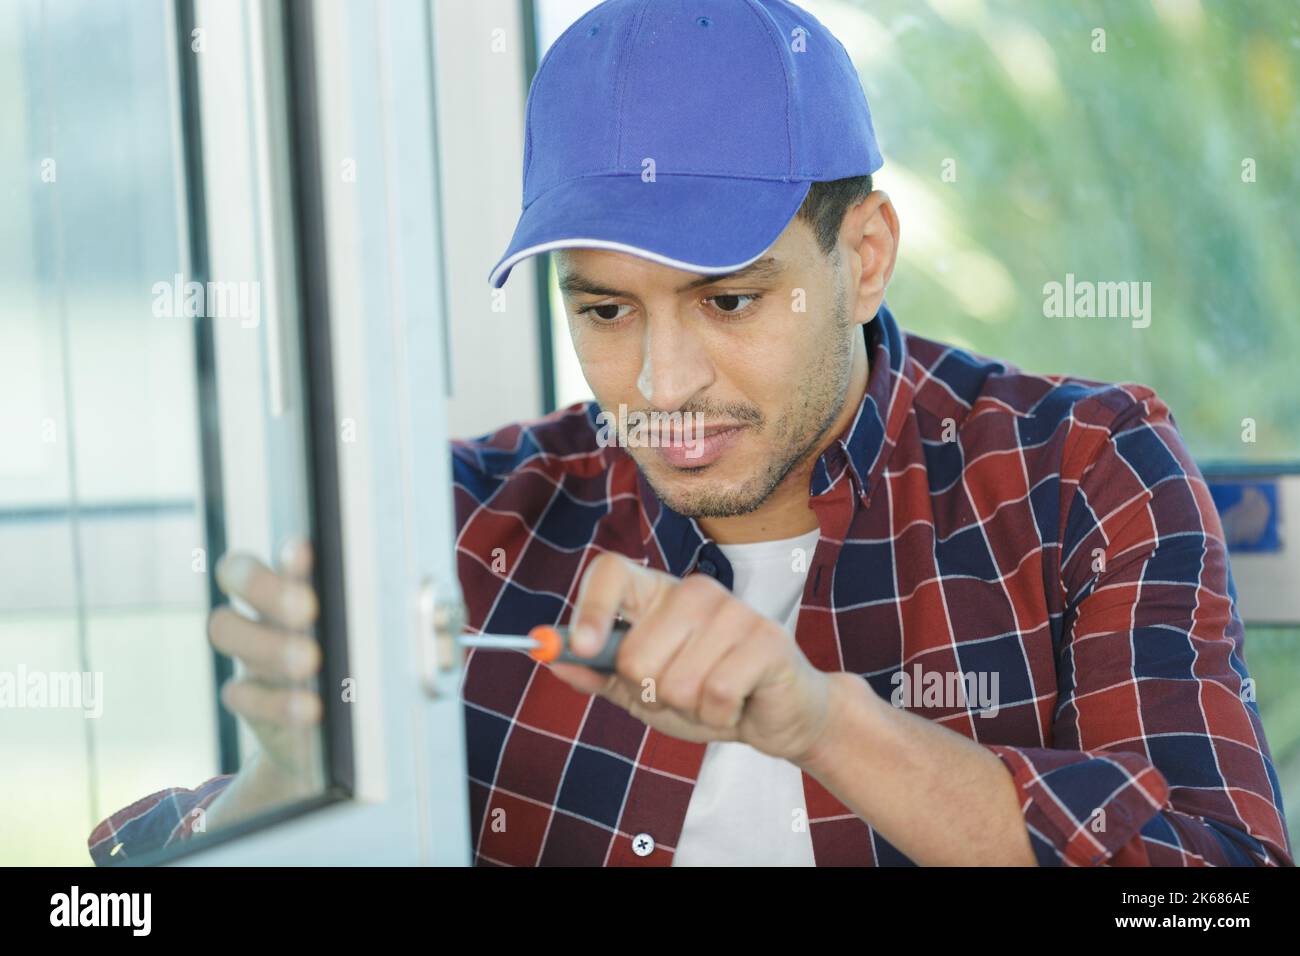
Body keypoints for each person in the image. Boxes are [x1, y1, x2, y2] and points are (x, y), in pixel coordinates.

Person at [90, 0, 1291, 867]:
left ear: (863, 256)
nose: (661, 380)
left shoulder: (1083, 469)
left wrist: (827, 721)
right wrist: (301, 776)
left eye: (727, 299)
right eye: (605, 309)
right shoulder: (467, 523)